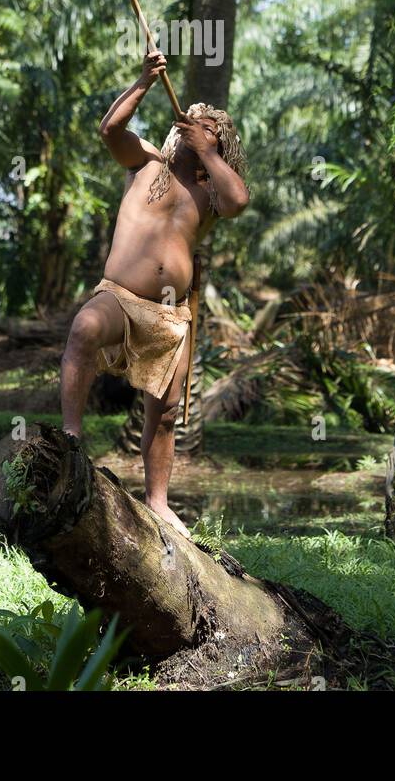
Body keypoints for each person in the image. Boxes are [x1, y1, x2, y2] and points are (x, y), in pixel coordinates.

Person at [60, 49, 249, 537]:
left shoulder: (211, 191)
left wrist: (207, 152)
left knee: (164, 413)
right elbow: (109, 132)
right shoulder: (146, 162)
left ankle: (158, 501)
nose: (192, 123)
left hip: (169, 315)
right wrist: (144, 81)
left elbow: (239, 202)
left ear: (219, 141)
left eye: (206, 125)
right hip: (121, 297)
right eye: (190, 119)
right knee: (83, 327)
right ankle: (71, 441)